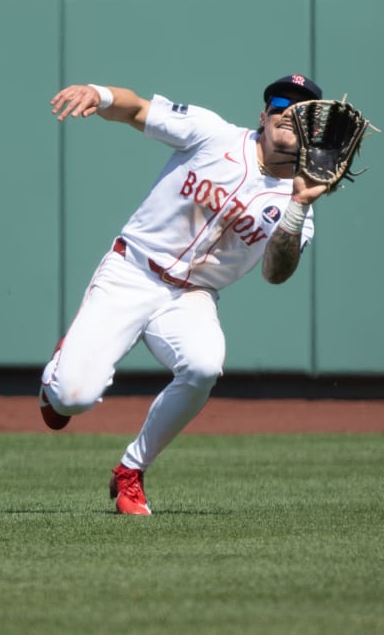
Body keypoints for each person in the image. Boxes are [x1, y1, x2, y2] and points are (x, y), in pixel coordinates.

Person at [40, 74, 332, 515]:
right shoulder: (214, 134)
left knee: (203, 365)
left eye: (301, 110)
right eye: (279, 104)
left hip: (193, 295)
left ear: (314, 128)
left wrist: (298, 207)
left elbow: (275, 275)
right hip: (133, 271)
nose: (287, 113)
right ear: (263, 115)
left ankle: (131, 471)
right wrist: (98, 94)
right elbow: (137, 109)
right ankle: (60, 374)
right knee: (71, 399)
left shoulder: (297, 203)